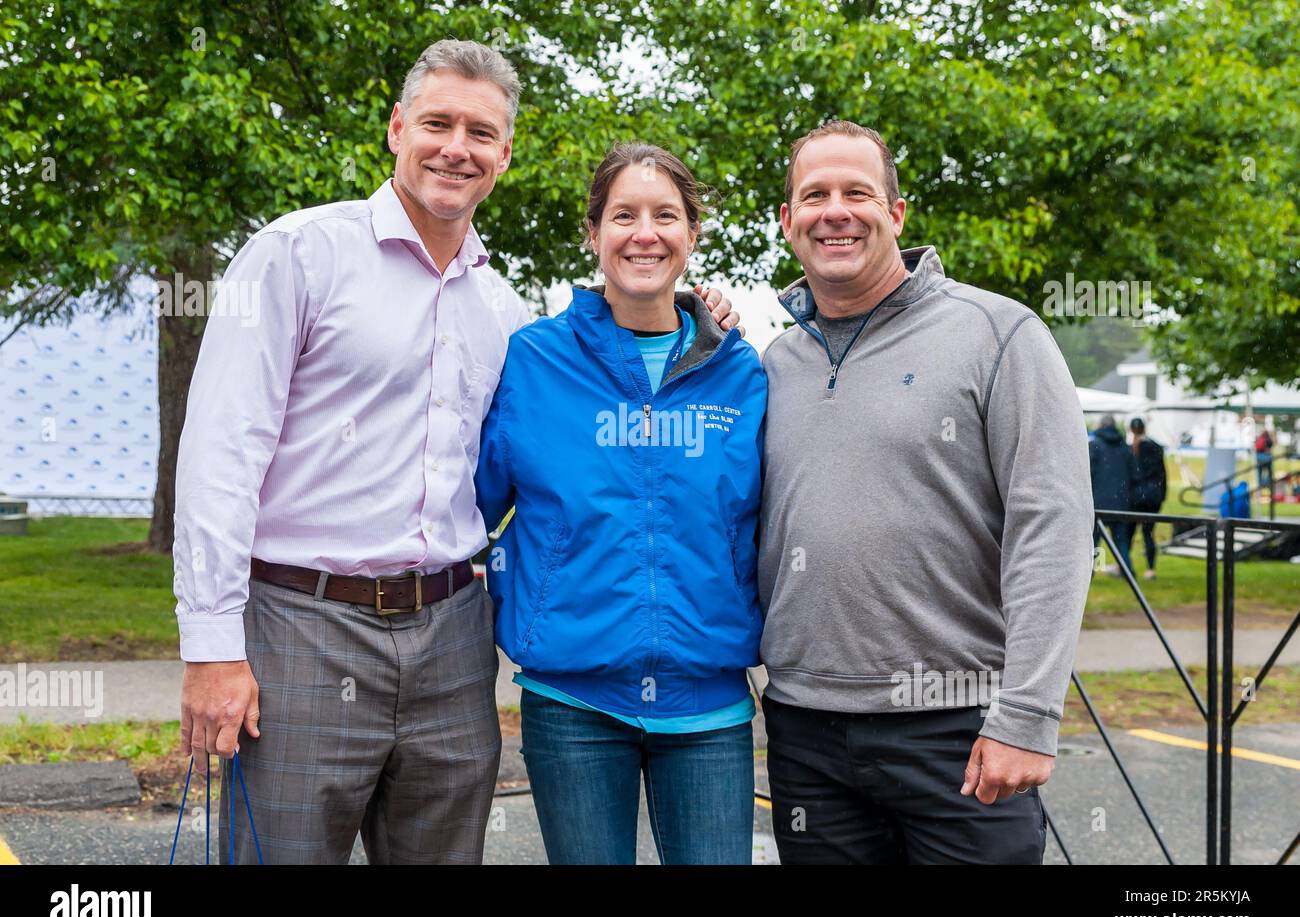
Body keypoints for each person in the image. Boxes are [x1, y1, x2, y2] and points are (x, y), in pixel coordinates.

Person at [172, 40, 738, 864]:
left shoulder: (504, 314)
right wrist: (211, 647)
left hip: (450, 641)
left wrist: (695, 317)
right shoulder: (297, 255)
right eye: (437, 122)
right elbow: (219, 460)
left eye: (480, 132)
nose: (456, 147)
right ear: (398, 128)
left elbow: (577, 429)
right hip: (301, 624)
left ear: (504, 156)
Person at [757, 120, 1094, 865]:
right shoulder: (771, 363)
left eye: (857, 192)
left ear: (897, 214)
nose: (834, 211)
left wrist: (1029, 715)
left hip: (960, 729)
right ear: (787, 222)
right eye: (814, 195)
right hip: (804, 728)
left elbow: (1054, 527)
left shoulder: (998, 333)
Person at [474, 143, 766, 865]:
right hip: (573, 701)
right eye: (623, 215)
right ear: (594, 234)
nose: (646, 233)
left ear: (692, 235)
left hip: (709, 701)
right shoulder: (533, 360)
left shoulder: (742, 372)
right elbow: (468, 506)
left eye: (666, 215)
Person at [1090, 413, 1138, 574]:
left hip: (1098, 502)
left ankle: (1090, 573)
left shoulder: (1095, 446)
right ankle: (1127, 571)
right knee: (1121, 542)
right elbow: (1134, 475)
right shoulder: (1124, 448)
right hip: (1120, 502)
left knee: (1094, 542)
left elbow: (1087, 474)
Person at [1129, 416, 1167, 580]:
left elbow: (1131, 476)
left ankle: (1125, 565)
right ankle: (1151, 568)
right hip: (1153, 497)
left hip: (1138, 497)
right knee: (1148, 533)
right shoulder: (1156, 447)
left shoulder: (1133, 449)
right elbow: (1163, 475)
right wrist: (1161, 495)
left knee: (1128, 533)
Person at [1256, 425, 1275, 494]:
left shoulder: (1259, 438)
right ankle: (1267, 484)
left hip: (1259, 457)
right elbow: (1271, 445)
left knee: (1259, 474)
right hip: (1267, 457)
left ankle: (1260, 486)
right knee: (1269, 473)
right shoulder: (1268, 439)